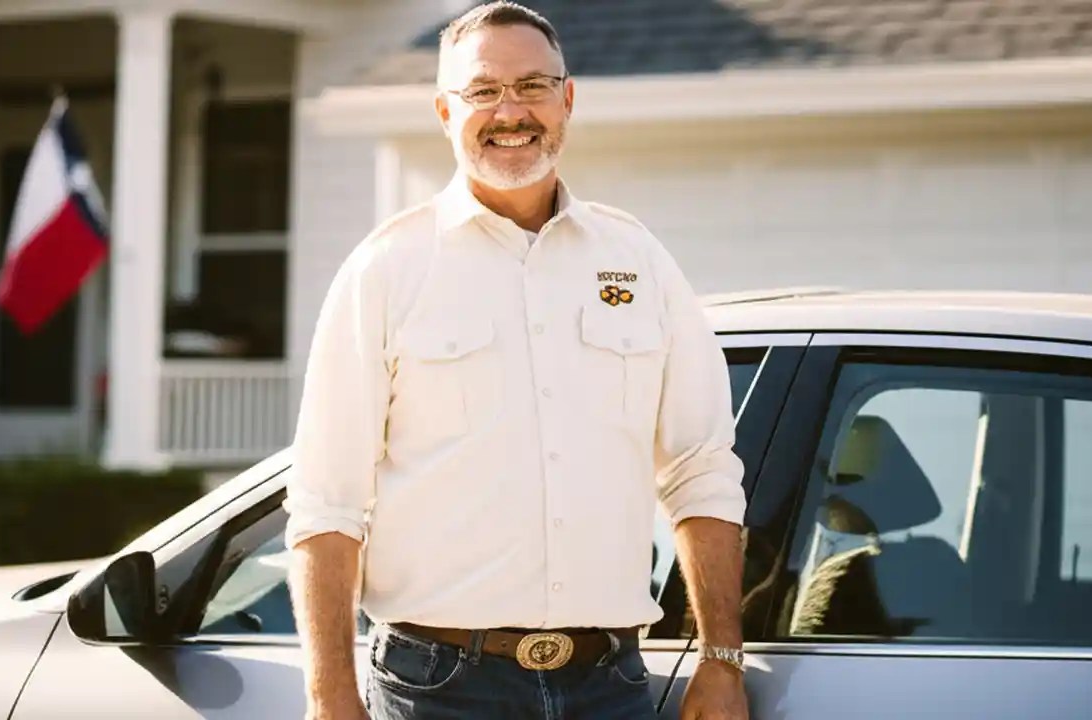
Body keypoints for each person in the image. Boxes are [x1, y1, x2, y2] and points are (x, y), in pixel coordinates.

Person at [285, 3, 749, 718]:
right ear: (445, 110)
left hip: (610, 687)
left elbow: (702, 472)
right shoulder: (387, 269)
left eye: (533, 86)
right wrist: (330, 696)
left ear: (567, 100)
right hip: (438, 690)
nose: (511, 110)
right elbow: (327, 505)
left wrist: (722, 661)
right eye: (484, 90)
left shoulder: (638, 261)